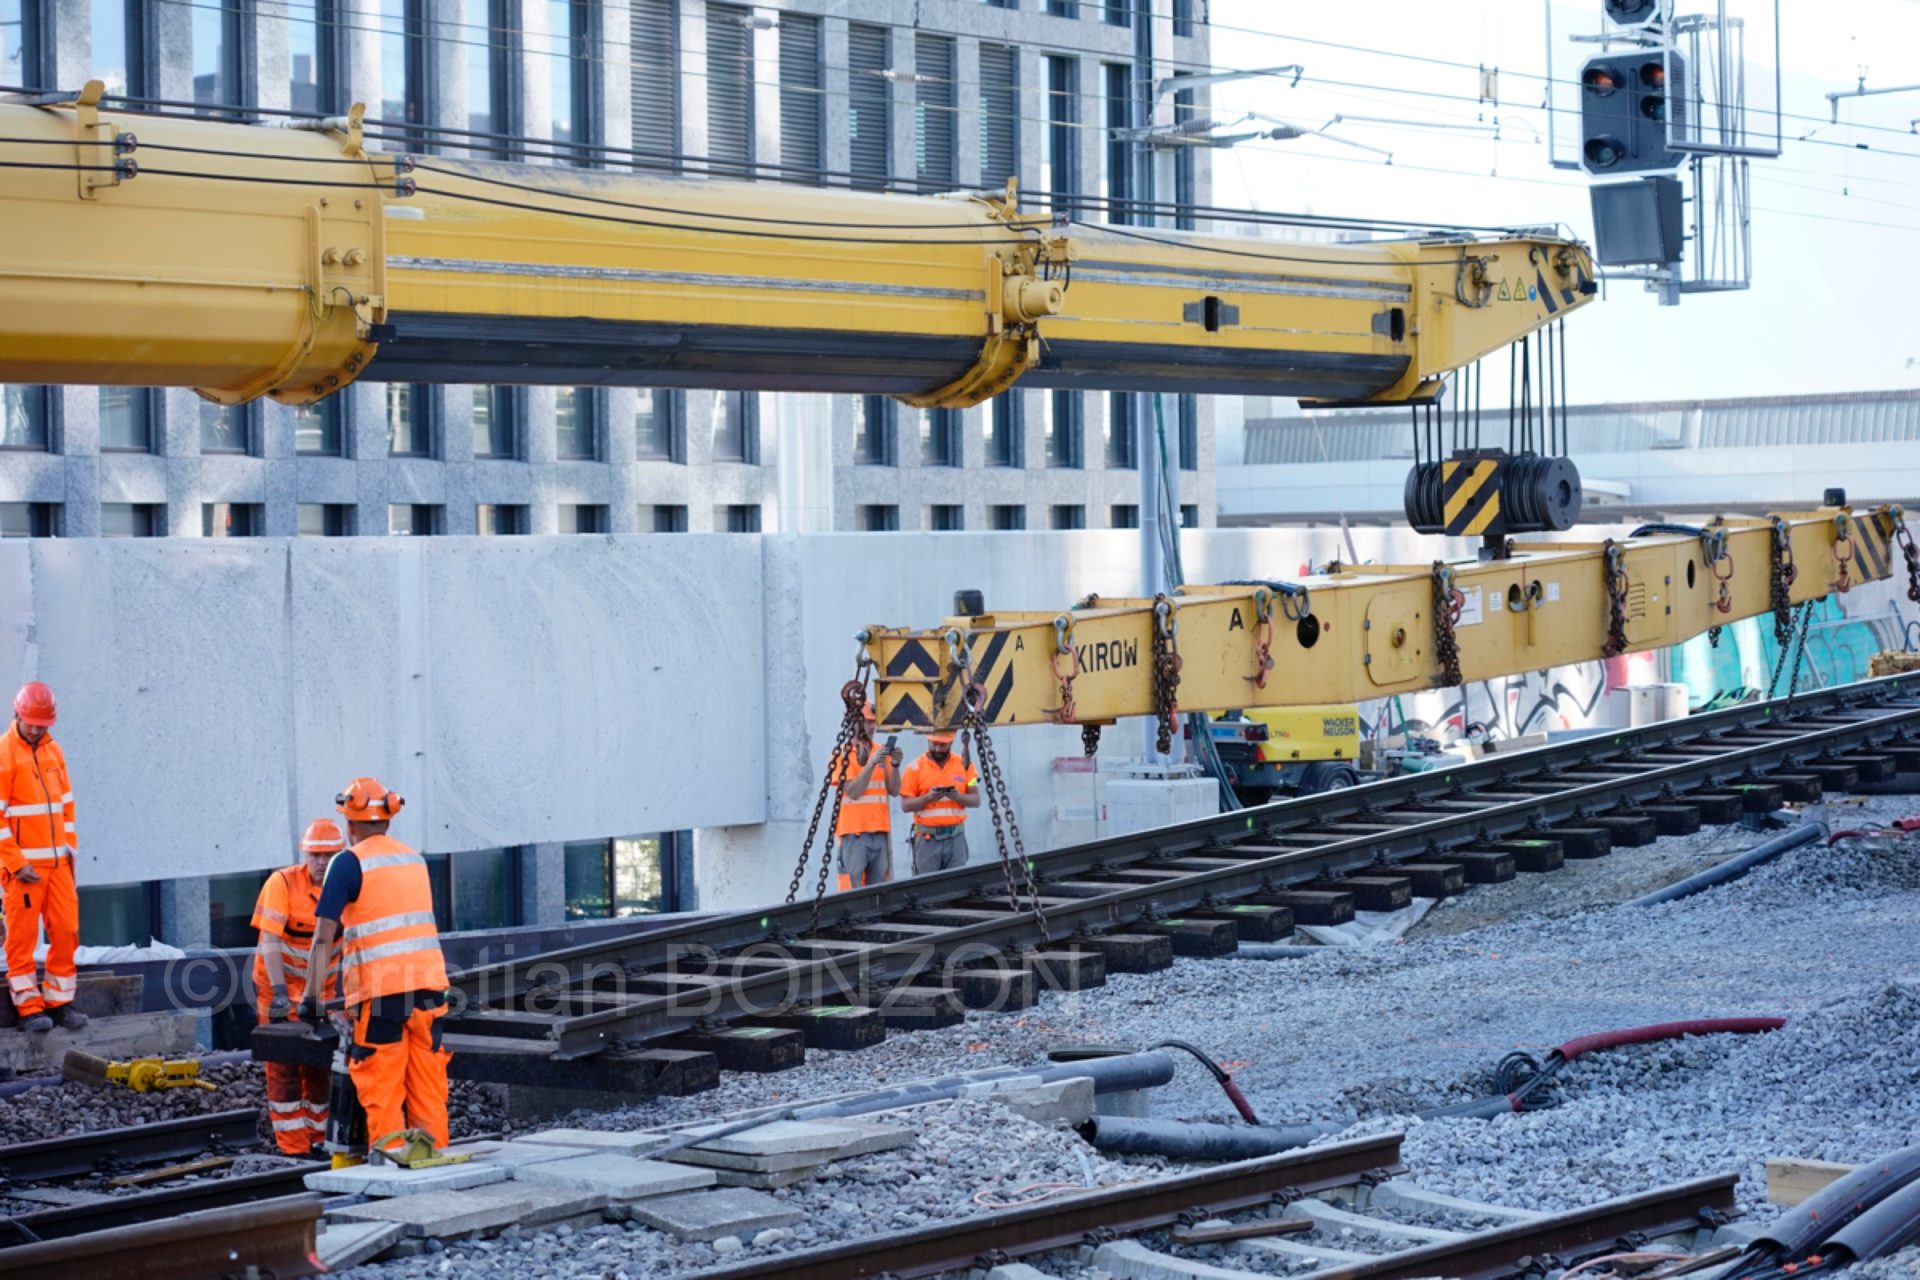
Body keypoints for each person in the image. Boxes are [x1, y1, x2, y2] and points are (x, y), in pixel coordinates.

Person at [302, 777, 452, 1153]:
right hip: (431, 989)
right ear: (387, 820)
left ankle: (391, 1162)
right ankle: (433, 1156)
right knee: (427, 1081)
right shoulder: (413, 859)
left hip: (383, 994)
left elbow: (323, 937)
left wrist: (310, 999)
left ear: (349, 825)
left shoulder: (349, 863)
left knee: (380, 1080)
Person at [251, 819, 343, 1156]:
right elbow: (270, 939)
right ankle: (292, 1146)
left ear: (340, 855)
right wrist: (277, 991)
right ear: (305, 854)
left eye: (329, 855)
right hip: (280, 994)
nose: (321, 862)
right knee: (283, 1069)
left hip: (322, 997)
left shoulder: (348, 887)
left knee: (320, 1067)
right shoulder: (282, 883)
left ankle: (318, 1139)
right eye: (315, 855)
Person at [1, 681, 85, 1035]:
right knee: (21, 940)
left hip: (57, 867)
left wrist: (68, 848)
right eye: (31, 722)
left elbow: (66, 806)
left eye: (42, 724)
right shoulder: (4, 754)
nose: (36, 730)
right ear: (17, 715)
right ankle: (30, 1009)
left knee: (66, 932)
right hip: (23, 871)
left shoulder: (55, 753)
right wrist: (17, 863)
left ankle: (60, 1002)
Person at [833, 704, 900, 890]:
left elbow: (894, 790)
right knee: (853, 891)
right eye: (868, 722)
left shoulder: (880, 752)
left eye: (874, 722)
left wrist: (894, 765)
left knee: (879, 891)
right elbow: (853, 792)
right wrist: (871, 764)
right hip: (854, 832)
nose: (873, 727)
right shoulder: (842, 755)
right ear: (854, 722)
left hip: (879, 831)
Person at [898, 728, 980, 875]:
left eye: (943, 745)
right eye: (934, 744)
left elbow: (976, 799)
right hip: (927, 841)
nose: (937, 749)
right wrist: (928, 798)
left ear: (951, 743)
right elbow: (905, 805)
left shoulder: (966, 766)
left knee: (957, 888)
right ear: (928, 740)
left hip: (956, 840)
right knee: (926, 890)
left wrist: (957, 797)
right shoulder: (913, 769)